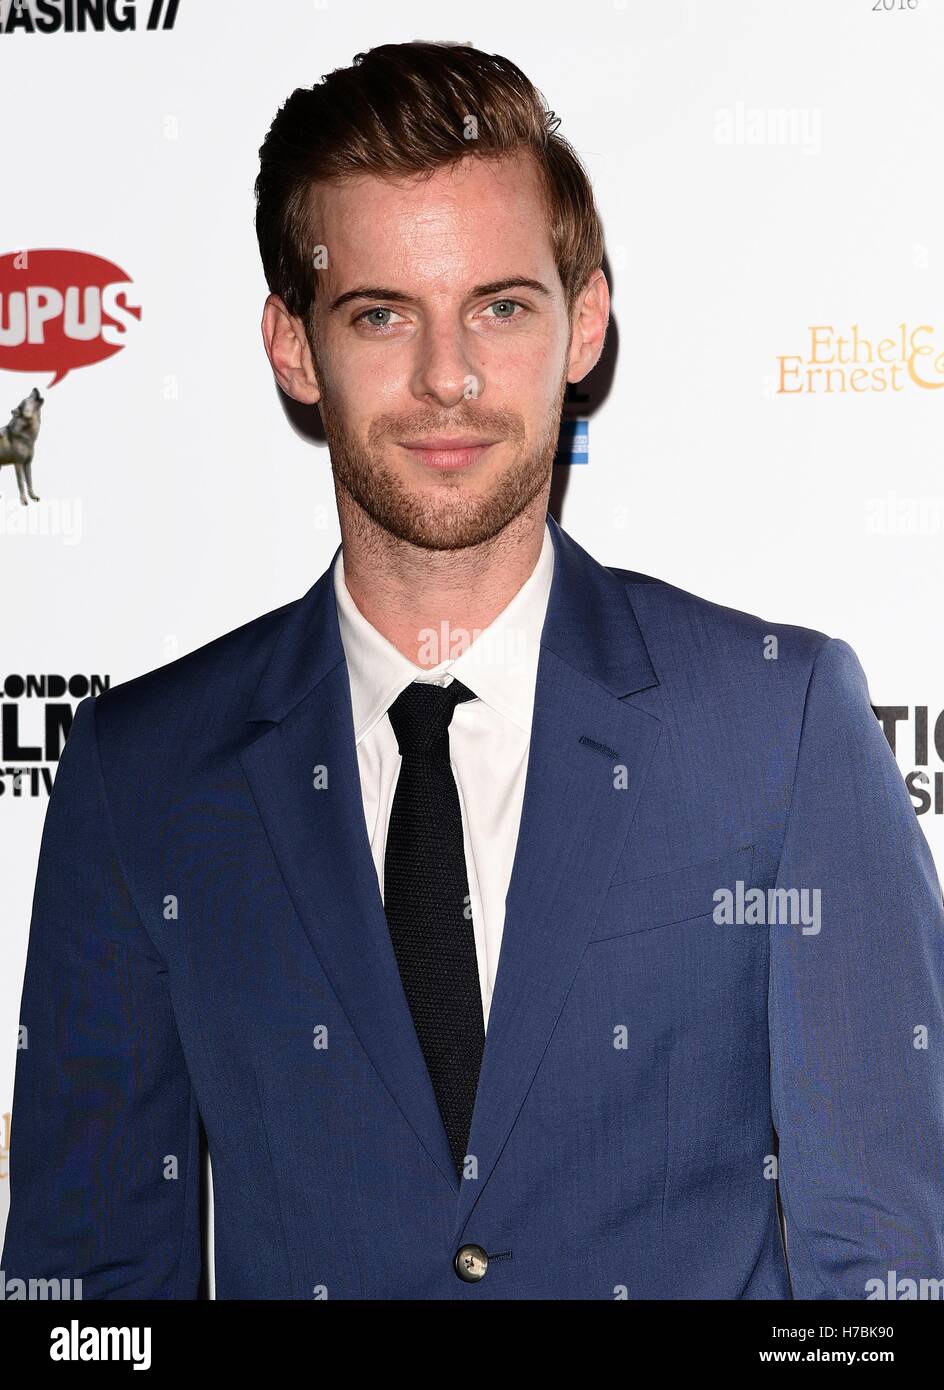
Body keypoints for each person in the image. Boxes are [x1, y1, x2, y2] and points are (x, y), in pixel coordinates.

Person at [3, 40, 943, 1301]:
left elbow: (884, 1278)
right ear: (292, 347)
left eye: (499, 308)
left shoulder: (774, 726)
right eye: (380, 313)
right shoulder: (146, 773)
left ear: (583, 326)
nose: (446, 379)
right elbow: (91, 1300)